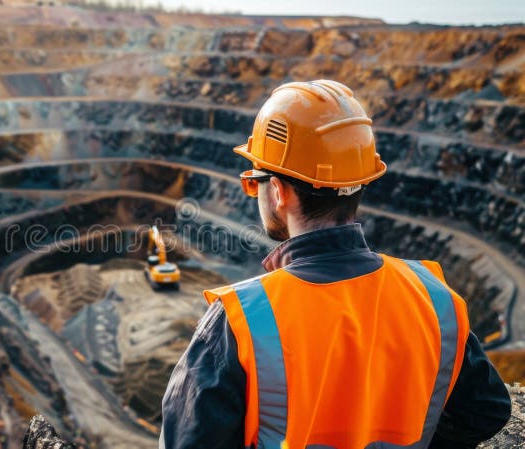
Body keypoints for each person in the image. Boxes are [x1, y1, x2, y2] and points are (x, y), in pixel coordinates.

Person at [159, 80, 511, 449]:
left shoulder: (238, 323)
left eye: (255, 181)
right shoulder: (434, 299)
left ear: (278, 191)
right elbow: (486, 410)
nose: (255, 192)